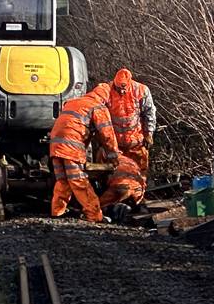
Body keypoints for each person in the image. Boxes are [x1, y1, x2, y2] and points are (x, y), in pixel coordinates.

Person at [48, 89, 116, 223]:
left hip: (55, 145)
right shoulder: (97, 106)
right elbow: (107, 134)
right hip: (71, 147)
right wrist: (113, 155)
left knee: (63, 181)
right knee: (79, 181)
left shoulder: (74, 102)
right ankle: (94, 215)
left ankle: (57, 212)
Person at [108, 68, 157, 176]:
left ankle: (140, 192)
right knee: (117, 175)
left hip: (136, 142)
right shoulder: (107, 91)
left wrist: (149, 133)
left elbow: (149, 112)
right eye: (118, 88)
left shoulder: (141, 90)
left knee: (139, 172)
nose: (121, 91)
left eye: (123, 88)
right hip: (116, 145)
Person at [101, 148, 146, 219]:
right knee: (136, 203)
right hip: (137, 190)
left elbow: (103, 178)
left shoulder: (111, 162)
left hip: (121, 187)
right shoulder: (130, 161)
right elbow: (143, 181)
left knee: (100, 205)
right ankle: (135, 208)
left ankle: (114, 211)